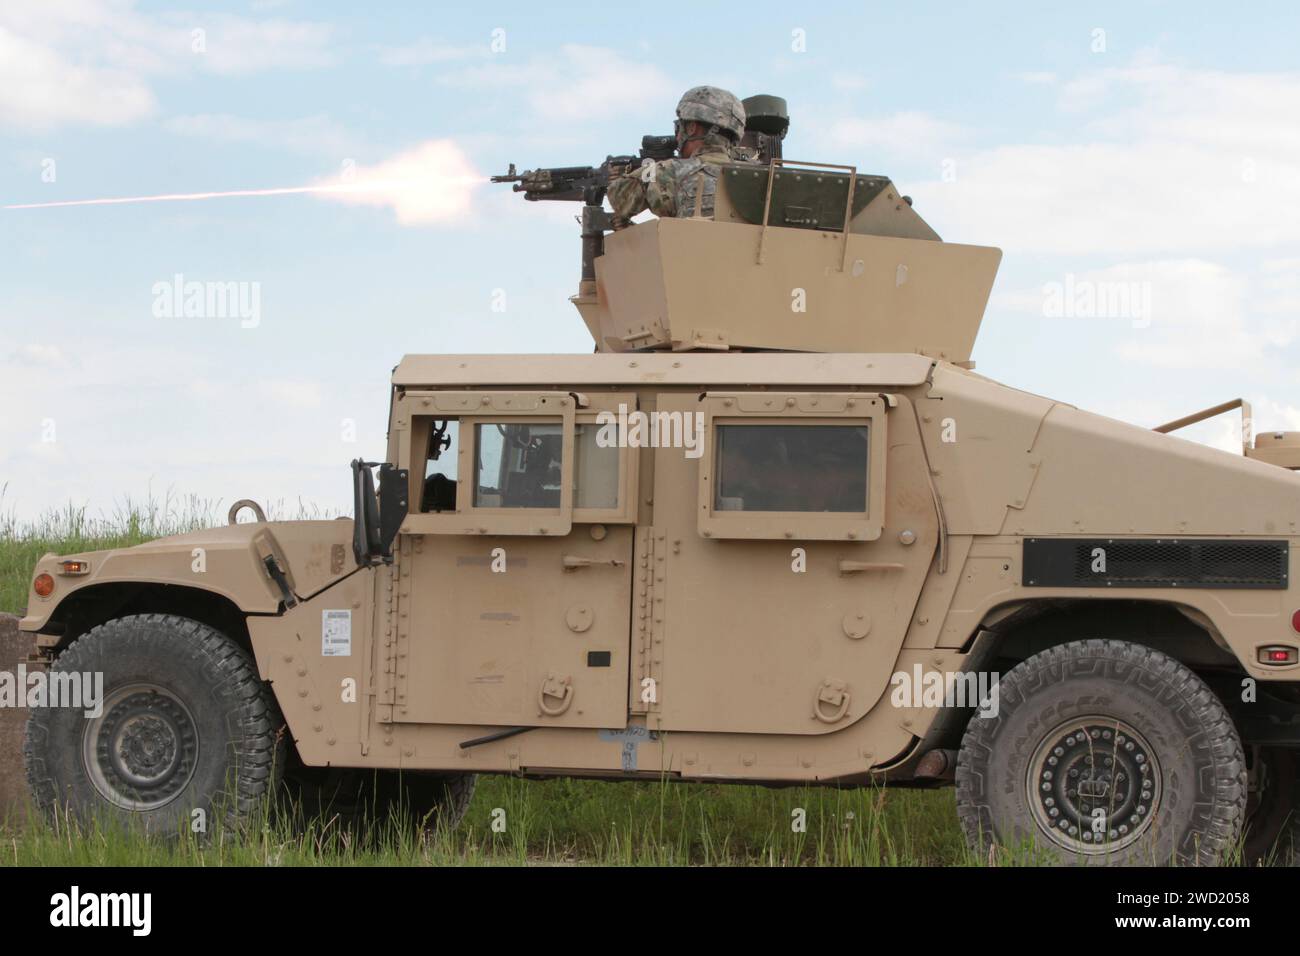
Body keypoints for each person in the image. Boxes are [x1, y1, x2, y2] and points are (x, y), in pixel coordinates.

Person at [608, 86, 748, 228]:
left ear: (692, 128)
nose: (678, 136)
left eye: (679, 127)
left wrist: (624, 173)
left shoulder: (670, 171)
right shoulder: (755, 177)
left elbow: (618, 197)